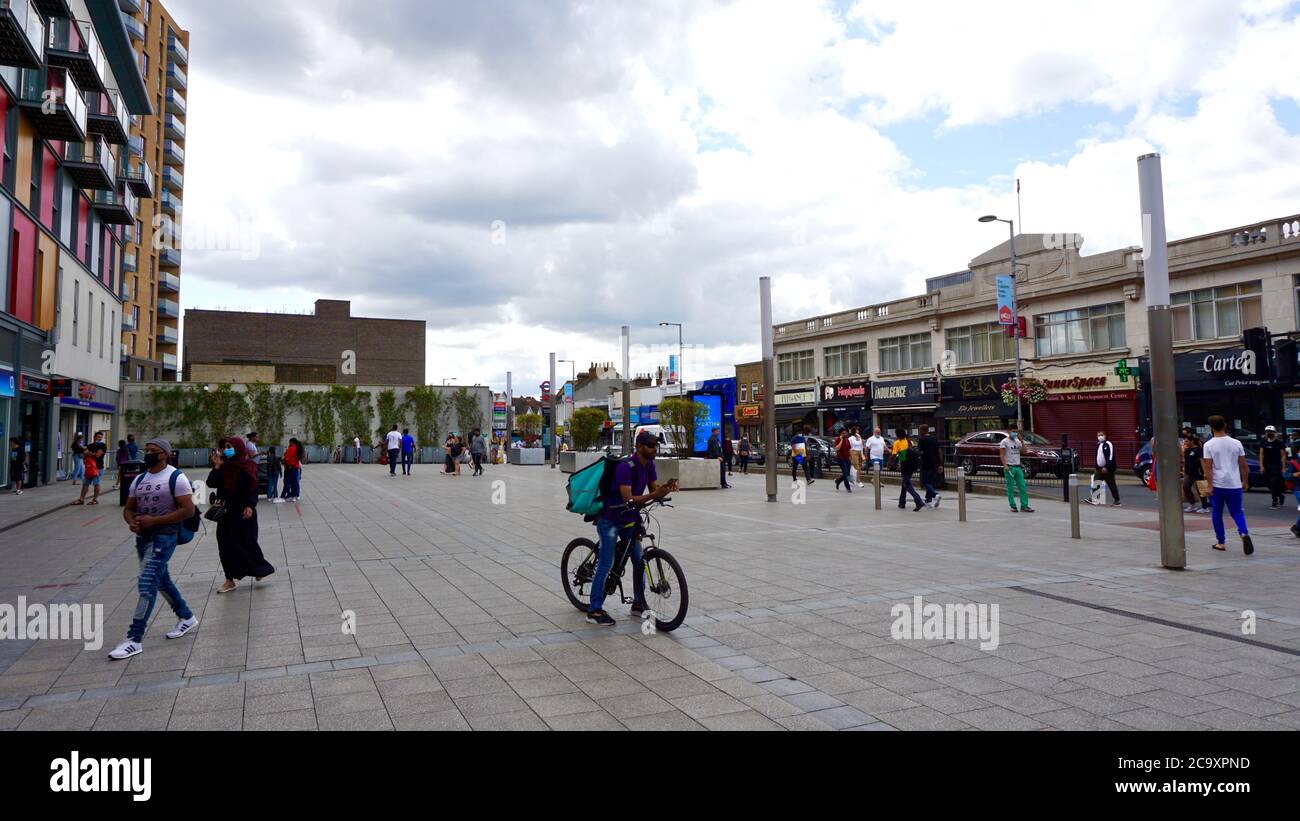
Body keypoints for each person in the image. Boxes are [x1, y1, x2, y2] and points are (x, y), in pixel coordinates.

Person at [109, 439, 199, 660]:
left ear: (165, 454)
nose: (148, 453)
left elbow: (188, 510)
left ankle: (134, 638)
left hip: (165, 537)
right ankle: (186, 616)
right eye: (146, 450)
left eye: (154, 451)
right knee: (160, 580)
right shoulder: (140, 479)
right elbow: (129, 508)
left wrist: (155, 520)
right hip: (143, 537)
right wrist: (132, 522)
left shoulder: (176, 478)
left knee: (147, 582)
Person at [587, 430, 679, 627]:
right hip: (611, 519)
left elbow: (653, 489)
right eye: (650, 446)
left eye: (655, 446)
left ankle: (638, 603)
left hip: (630, 519)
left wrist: (664, 489)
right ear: (639, 447)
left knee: (639, 561)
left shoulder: (650, 465)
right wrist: (654, 495)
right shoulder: (625, 467)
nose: (654, 449)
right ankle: (594, 610)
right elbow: (628, 498)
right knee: (607, 563)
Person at [213, 436, 276, 594]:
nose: (226, 450)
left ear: (238, 448)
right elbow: (211, 483)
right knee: (225, 546)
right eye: (225, 447)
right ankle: (229, 580)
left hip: (244, 513)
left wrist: (250, 505)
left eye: (230, 447)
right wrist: (217, 467)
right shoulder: (224, 466)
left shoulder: (248, 466)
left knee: (248, 544)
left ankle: (259, 569)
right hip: (226, 514)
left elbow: (253, 488)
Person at [1203, 416, 1253, 555]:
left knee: (1217, 513)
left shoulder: (1209, 445)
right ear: (1225, 425)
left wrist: (1209, 485)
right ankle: (1243, 533)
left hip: (1218, 484)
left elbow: (1208, 467)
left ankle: (1221, 542)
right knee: (1237, 512)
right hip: (1234, 484)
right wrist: (1245, 481)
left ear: (1211, 427)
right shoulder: (1236, 443)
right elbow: (1243, 465)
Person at [999, 426, 1034, 514]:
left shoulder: (1017, 441)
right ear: (1009, 431)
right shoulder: (1004, 442)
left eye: (1016, 431)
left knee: (1022, 486)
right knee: (1010, 487)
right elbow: (1002, 454)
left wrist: (1021, 440)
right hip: (1009, 467)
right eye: (1013, 431)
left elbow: (1025, 452)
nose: (1015, 433)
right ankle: (1013, 505)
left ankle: (1024, 506)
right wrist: (1005, 465)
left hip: (1018, 466)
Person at [890, 428, 924, 511]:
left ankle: (918, 501)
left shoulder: (897, 443)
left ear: (898, 435)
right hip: (912, 465)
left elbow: (894, 455)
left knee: (908, 485)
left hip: (904, 464)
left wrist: (889, 463)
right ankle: (902, 502)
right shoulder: (909, 441)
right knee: (905, 483)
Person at [1180, 430, 1208, 514]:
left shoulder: (1198, 450)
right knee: (1186, 487)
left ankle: (1204, 507)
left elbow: (1202, 461)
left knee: (1201, 489)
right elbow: (1185, 460)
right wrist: (1183, 468)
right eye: (1184, 441)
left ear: (1192, 441)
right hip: (1189, 472)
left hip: (1198, 472)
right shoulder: (1187, 450)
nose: (1185, 443)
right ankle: (1192, 504)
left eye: (1187, 441)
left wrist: (1205, 472)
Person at [1259, 425, 1286, 509]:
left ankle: (1275, 501)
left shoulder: (1279, 443)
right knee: (1268, 483)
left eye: (1271, 432)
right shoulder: (1263, 442)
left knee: (1274, 482)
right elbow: (1261, 454)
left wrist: (1283, 466)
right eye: (1267, 432)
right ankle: (1280, 495)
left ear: (1274, 433)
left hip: (1276, 465)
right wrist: (1261, 466)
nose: (1269, 433)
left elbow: (1283, 455)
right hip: (1266, 465)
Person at [1094, 430, 1121, 507]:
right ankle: (1096, 498)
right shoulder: (1098, 445)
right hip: (1099, 468)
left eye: (1101, 435)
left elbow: (1110, 456)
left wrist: (1107, 466)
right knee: (1096, 481)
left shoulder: (1108, 444)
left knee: (1111, 484)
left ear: (1105, 435)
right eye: (1098, 435)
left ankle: (1117, 500)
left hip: (1108, 469)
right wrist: (1097, 466)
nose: (1100, 437)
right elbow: (1098, 456)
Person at [918, 424, 942, 509]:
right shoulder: (934, 439)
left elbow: (920, 452)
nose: (919, 432)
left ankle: (935, 495)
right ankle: (928, 501)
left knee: (925, 482)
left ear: (923, 430)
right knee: (929, 482)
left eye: (920, 430)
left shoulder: (922, 440)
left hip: (925, 463)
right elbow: (939, 451)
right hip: (934, 463)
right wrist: (940, 464)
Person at [281, 438, 303, 503]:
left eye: (289, 442)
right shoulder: (298, 448)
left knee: (287, 482)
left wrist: (284, 461)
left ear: (292, 442)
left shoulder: (290, 449)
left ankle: (285, 495)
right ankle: (295, 496)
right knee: (295, 482)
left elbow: (286, 459)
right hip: (296, 467)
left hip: (289, 468)